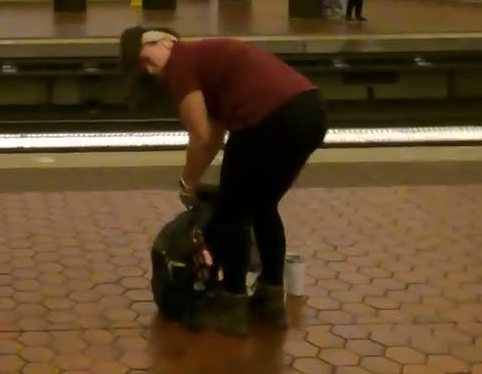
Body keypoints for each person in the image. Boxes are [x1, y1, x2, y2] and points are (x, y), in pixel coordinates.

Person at [119, 28, 327, 337]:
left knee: (231, 215)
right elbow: (214, 136)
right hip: (311, 112)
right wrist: (194, 178)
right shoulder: (205, 59)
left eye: (146, 59)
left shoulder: (181, 62)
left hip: (265, 119)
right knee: (262, 206)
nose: (151, 70)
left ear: (165, 41)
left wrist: (187, 182)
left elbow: (200, 136)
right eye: (144, 69)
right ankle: (271, 299)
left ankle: (231, 306)